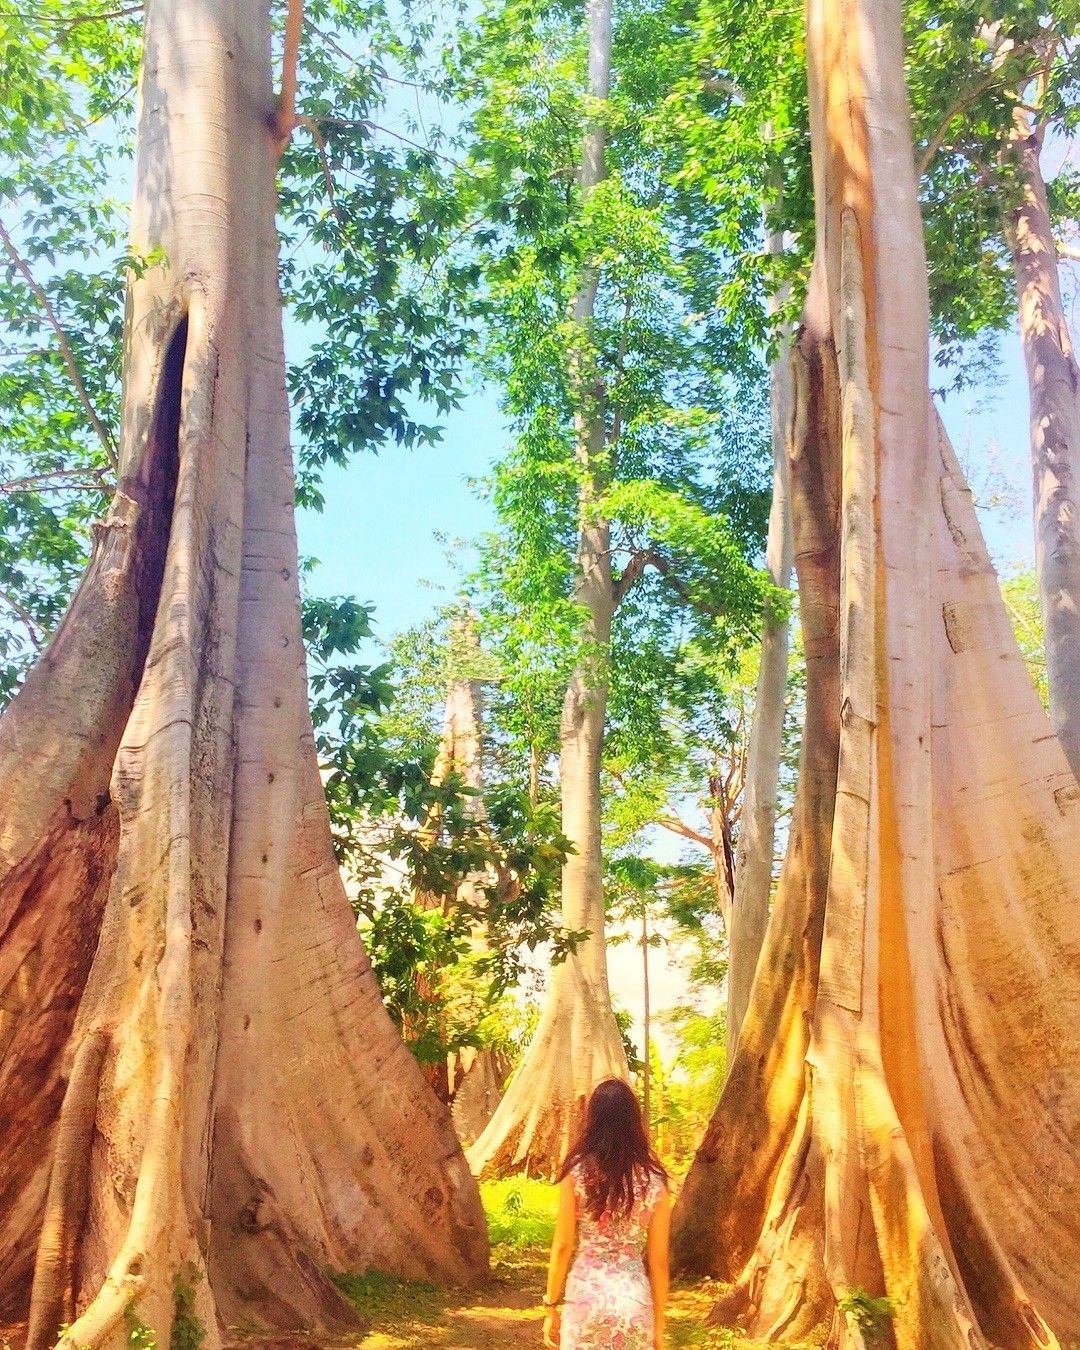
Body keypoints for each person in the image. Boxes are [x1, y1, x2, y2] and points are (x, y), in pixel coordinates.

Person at [542, 1078, 672, 1349]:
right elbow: (658, 1261)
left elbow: (563, 1245)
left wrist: (551, 1304)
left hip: (585, 1299)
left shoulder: (576, 1173)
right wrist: (658, 1328)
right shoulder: (655, 1181)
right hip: (633, 1303)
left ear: (593, 1120)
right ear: (634, 1122)